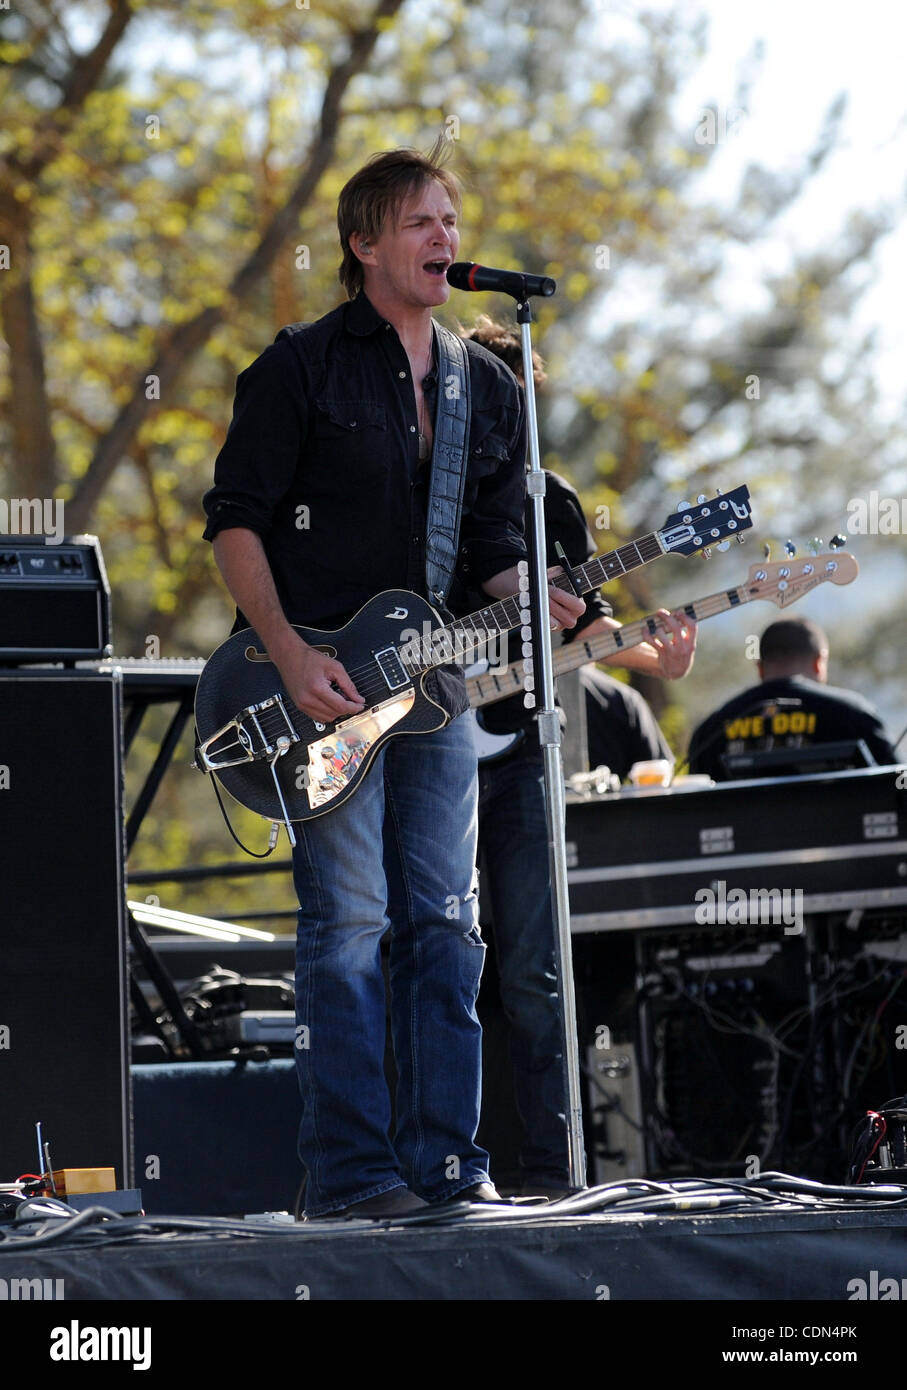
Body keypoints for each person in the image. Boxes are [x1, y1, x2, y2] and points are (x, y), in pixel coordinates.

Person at [201, 144, 586, 1219]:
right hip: (316, 686)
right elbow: (233, 521)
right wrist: (287, 649)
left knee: (448, 925)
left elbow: (490, 552)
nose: (445, 238)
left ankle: (450, 1165)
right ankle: (352, 1173)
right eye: (421, 221)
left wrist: (540, 594)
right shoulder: (299, 365)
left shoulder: (489, 384)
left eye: (452, 220)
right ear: (364, 243)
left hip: (438, 694)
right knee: (350, 923)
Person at [458, 317, 696, 1195]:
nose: (504, 408)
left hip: (519, 748)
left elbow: (584, 630)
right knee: (428, 963)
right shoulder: (408, 488)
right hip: (413, 750)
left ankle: (552, 1176)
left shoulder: (547, 498)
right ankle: (434, 1169)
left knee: (531, 966)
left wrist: (652, 652)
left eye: (516, 393)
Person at [687, 616, 897, 780]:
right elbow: (898, 787)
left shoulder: (712, 730)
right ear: (818, 662)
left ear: (760, 668)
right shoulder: (855, 715)